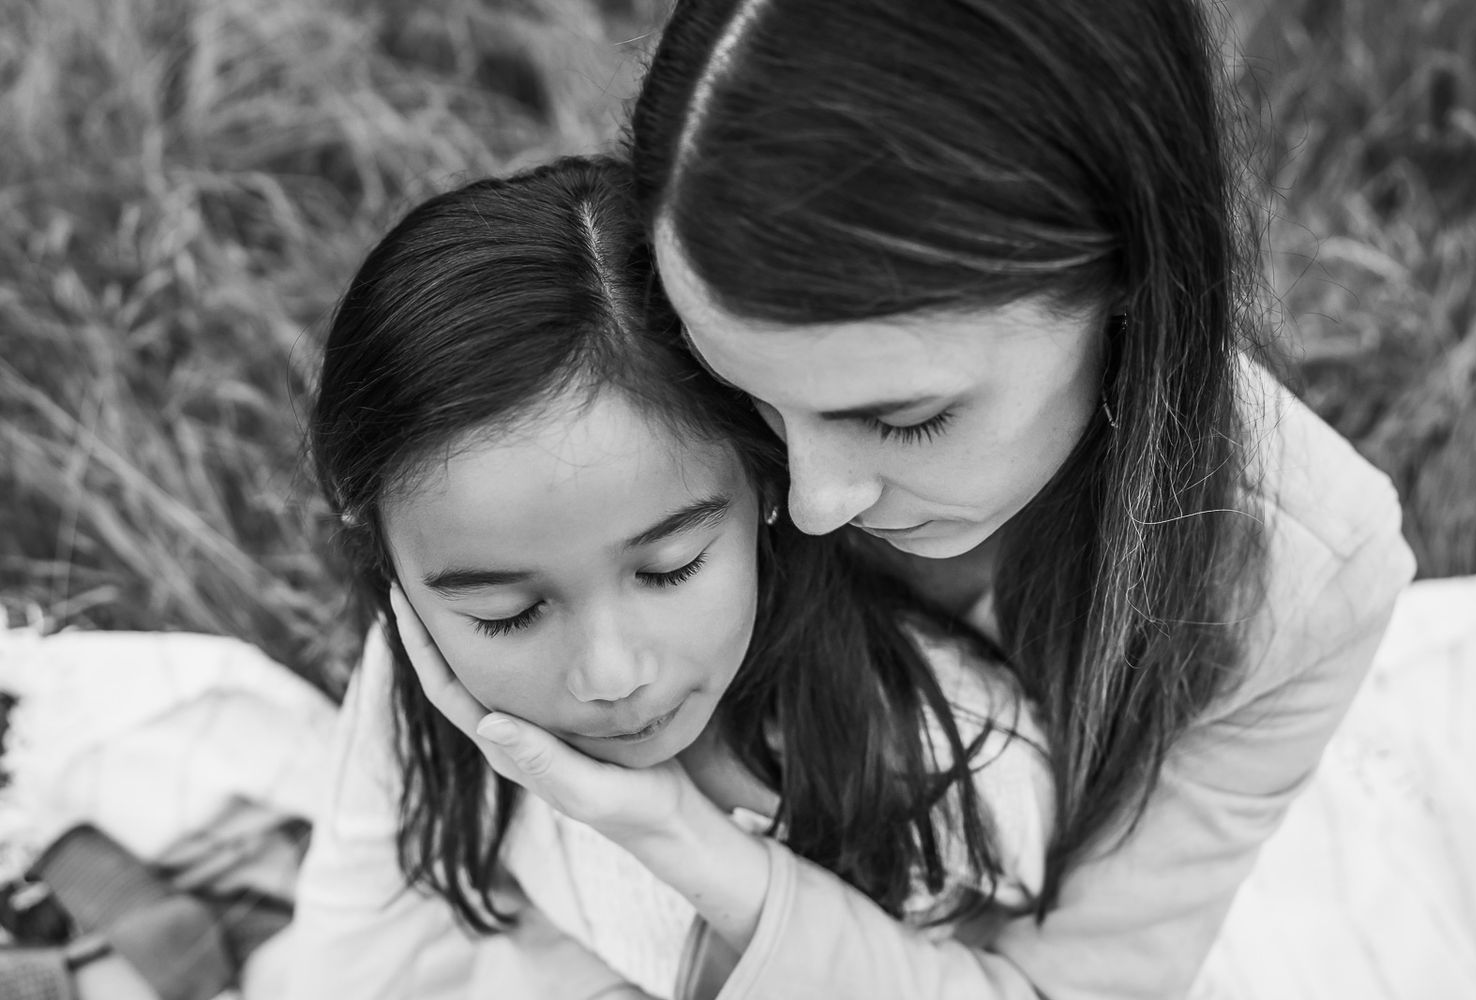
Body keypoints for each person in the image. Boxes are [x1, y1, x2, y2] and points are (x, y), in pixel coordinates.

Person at [627, 0, 1417, 997]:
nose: (817, 500)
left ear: (1131, 268)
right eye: (745, 396)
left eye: (904, 420)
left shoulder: (1300, 583)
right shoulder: (613, 372)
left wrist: (698, 854)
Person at [287, 157, 1053, 999]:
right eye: (507, 615)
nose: (612, 676)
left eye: (670, 568)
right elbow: (347, 945)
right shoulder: (424, 682)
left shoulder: (950, 756)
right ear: (392, 567)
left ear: (769, 479)